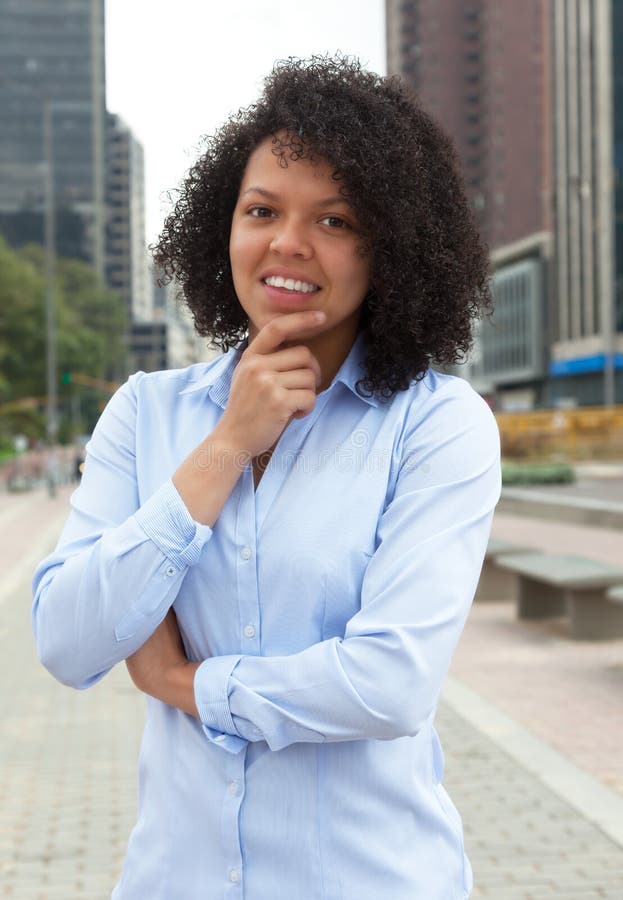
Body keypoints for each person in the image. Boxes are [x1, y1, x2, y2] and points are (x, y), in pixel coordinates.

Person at [32, 55, 500, 899]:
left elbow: (388, 684)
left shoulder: (434, 424)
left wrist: (188, 683)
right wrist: (223, 447)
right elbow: (67, 641)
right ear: (225, 224)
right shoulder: (146, 414)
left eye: (335, 219)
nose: (288, 243)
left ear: (388, 244)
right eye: (262, 210)